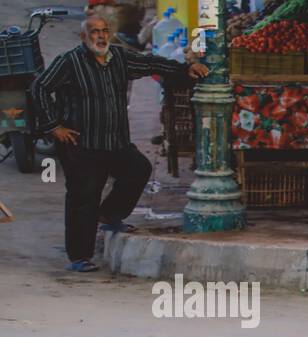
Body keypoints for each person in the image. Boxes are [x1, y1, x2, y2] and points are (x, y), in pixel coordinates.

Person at [31, 15, 210, 272]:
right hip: (82, 145)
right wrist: (53, 126)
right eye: (95, 32)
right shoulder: (70, 61)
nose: (101, 36)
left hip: (115, 141)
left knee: (138, 170)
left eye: (105, 31)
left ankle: (110, 214)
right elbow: (40, 88)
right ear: (84, 37)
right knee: (84, 198)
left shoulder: (119, 57)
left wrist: (184, 69)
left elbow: (151, 63)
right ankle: (79, 257)